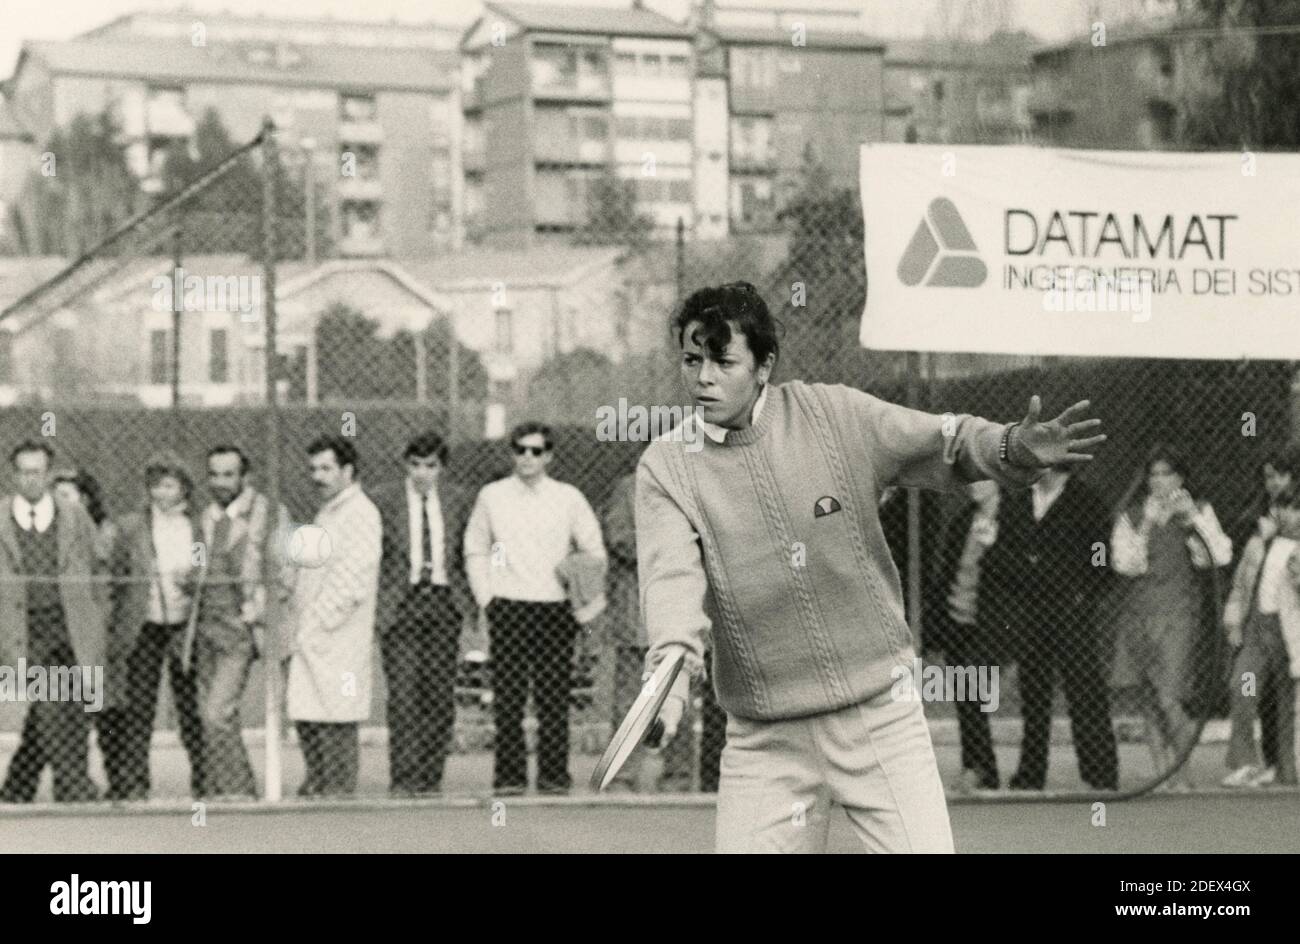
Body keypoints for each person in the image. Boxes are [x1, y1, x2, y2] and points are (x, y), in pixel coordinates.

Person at [637, 282, 1103, 853]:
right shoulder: (665, 468)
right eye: (692, 360)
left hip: (879, 716)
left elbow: (944, 438)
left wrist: (1009, 447)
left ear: (764, 366)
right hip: (764, 739)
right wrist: (671, 679)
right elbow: (671, 582)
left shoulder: (835, 415)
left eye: (723, 361)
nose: (703, 377)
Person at [464, 422, 605, 796]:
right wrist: (486, 597)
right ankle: (508, 778)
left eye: (536, 451)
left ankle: (553, 777)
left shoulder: (569, 498)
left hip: (555, 611)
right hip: (507, 608)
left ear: (549, 456)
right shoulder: (491, 496)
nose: (528, 457)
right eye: (521, 450)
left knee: (553, 699)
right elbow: (475, 549)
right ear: (512, 453)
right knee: (508, 699)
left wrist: (573, 574)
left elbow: (594, 550)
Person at [986, 462, 1119, 792]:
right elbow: (1000, 553)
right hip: (1030, 611)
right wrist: (1027, 572)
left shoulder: (1087, 502)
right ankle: (1031, 773)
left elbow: (1100, 557)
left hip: (1071, 612)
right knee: (1033, 692)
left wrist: (1081, 592)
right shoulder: (1016, 500)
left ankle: (1100, 773)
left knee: (1084, 690)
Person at [1110, 445, 1232, 791]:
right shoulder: (1132, 516)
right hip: (1138, 613)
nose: (1160, 481)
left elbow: (1219, 554)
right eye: (1154, 474)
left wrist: (1191, 517)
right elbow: (1125, 564)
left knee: (1169, 696)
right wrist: (1147, 522)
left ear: (1180, 478)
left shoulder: (1198, 511)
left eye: (1167, 474)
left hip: (1178, 611)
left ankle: (1183, 770)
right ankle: (1161, 770)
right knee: (1148, 696)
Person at [0, 441, 107, 803]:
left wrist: (97, 617)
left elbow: (100, 567)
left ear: (48, 474)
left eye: (38, 471)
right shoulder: (0, 518)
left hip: (73, 630)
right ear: (13, 475)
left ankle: (17, 787)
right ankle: (75, 786)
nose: (31, 479)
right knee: (48, 705)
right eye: (23, 471)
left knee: (72, 713)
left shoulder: (74, 516)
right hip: (24, 633)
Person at [185, 445, 292, 800]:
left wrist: (258, 607)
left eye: (228, 474)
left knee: (217, 713)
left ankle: (238, 791)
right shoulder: (204, 516)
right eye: (214, 474)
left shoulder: (269, 514)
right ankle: (233, 788)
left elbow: (285, 570)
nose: (220, 482)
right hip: (204, 630)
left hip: (240, 631)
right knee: (212, 715)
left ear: (245, 477)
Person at [99, 450, 206, 801]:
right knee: (139, 707)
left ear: (184, 489)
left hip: (183, 628)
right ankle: (135, 785)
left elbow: (205, 571)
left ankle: (204, 782)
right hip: (144, 626)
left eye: (170, 485)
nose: (162, 493)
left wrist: (192, 579)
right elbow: (114, 574)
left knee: (190, 707)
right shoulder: (132, 527)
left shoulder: (197, 526)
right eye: (156, 486)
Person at [371, 432, 472, 798]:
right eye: (415, 465)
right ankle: (404, 777)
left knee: (439, 693)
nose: (422, 473)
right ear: (405, 465)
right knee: (402, 693)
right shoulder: (385, 500)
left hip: (444, 603)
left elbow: (468, 550)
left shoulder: (459, 500)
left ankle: (431, 777)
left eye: (430, 465)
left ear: (441, 467)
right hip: (403, 603)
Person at [286, 436, 381, 798]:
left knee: (338, 712)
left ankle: (338, 791)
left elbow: (354, 580)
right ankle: (319, 781)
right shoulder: (328, 510)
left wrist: (320, 621)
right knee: (308, 708)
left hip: (338, 634)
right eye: (313, 469)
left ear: (348, 471)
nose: (317, 476)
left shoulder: (360, 512)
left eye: (326, 468)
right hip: (312, 632)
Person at [603, 470, 694, 792]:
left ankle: (678, 774)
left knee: (679, 692)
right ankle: (623, 775)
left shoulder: (690, 482)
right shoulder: (627, 488)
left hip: (679, 607)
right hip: (637, 610)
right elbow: (619, 538)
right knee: (630, 698)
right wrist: (668, 545)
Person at [924, 479, 1003, 792]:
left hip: (989, 621)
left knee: (975, 693)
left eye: (981, 478)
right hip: (958, 617)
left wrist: (994, 543)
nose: (972, 484)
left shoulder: (1010, 515)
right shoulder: (964, 517)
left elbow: (1012, 565)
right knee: (965, 696)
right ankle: (978, 767)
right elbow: (947, 571)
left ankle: (984, 767)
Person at [1226, 444, 1299, 779]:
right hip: (1259, 624)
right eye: (1269, 476)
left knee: (1287, 701)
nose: (1274, 482)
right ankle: (1246, 762)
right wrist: (1235, 617)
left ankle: (1286, 768)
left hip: (1289, 627)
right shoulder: (1258, 524)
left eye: (1281, 475)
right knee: (1245, 685)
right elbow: (1243, 577)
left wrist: (1283, 534)